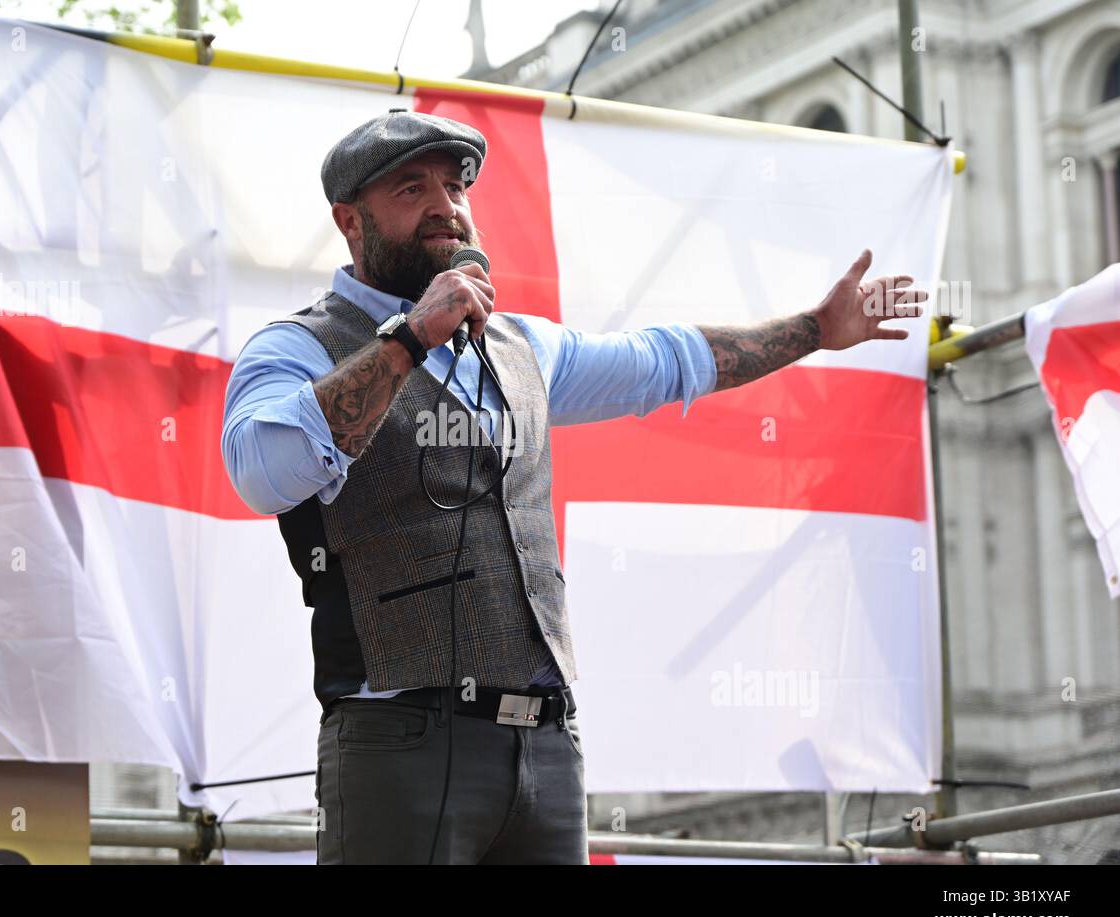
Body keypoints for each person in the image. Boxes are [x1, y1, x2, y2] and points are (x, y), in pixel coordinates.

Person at [221, 109, 928, 864]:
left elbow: (668, 360)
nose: (445, 206)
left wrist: (815, 328)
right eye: (410, 188)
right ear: (349, 221)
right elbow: (262, 472)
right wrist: (408, 341)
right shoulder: (297, 347)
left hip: (547, 742)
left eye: (456, 185)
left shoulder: (522, 345)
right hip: (399, 739)